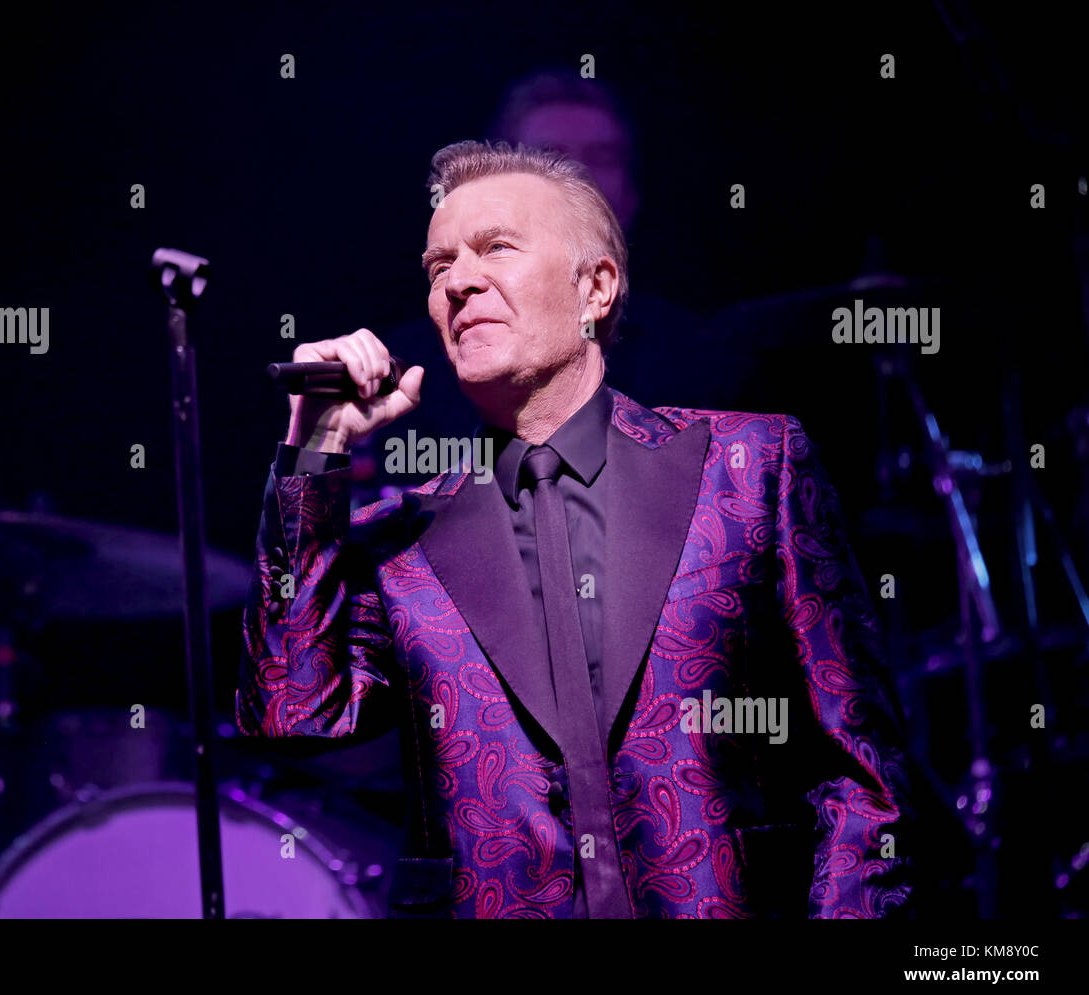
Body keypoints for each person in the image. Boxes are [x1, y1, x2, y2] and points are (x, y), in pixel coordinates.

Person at [237, 139, 913, 918]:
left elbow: (862, 777)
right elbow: (292, 710)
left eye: (497, 247)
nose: (459, 281)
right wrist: (311, 454)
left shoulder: (749, 466)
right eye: (438, 266)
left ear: (595, 287)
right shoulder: (406, 536)